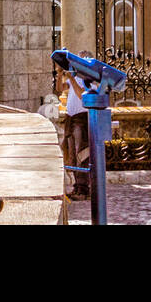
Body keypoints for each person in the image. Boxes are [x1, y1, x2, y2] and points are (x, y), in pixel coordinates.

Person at [59, 61, 90, 201]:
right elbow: (60, 88)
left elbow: (81, 95)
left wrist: (71, 78)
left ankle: (84, 188)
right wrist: (60, 74)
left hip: (81, 119)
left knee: (81, 153)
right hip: (71, 118)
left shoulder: (89, 80)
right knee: (71, 153)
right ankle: (77, 186)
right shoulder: (75, 79)